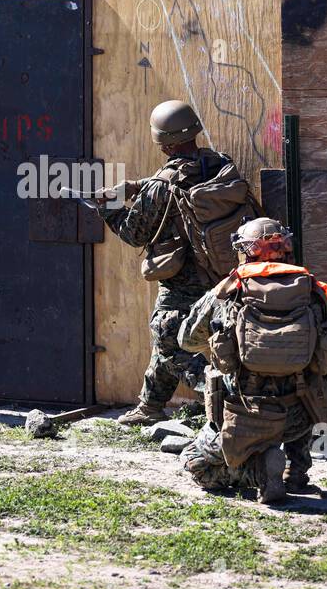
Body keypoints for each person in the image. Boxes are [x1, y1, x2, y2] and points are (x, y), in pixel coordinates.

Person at [95, 100, 257, 426]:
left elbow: (134, 233)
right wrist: (135, 186)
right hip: (223, 274)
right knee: (167, 336)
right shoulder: (220, 165)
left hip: (183, 279)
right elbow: (179, 179)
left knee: (169, 341)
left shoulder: (161, 186)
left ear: (163, 143)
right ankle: (150, 405)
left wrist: (108, 207)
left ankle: (225, 397)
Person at [177, 217, 327, 503]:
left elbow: (185, 339)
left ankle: (260, 469)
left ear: (245, 251)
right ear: (286, 248)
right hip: (298, 416)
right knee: (312, 382)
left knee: (194, 464)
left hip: (245, 414)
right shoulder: (314, 294)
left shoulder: (227, 293)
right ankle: (296, 473)